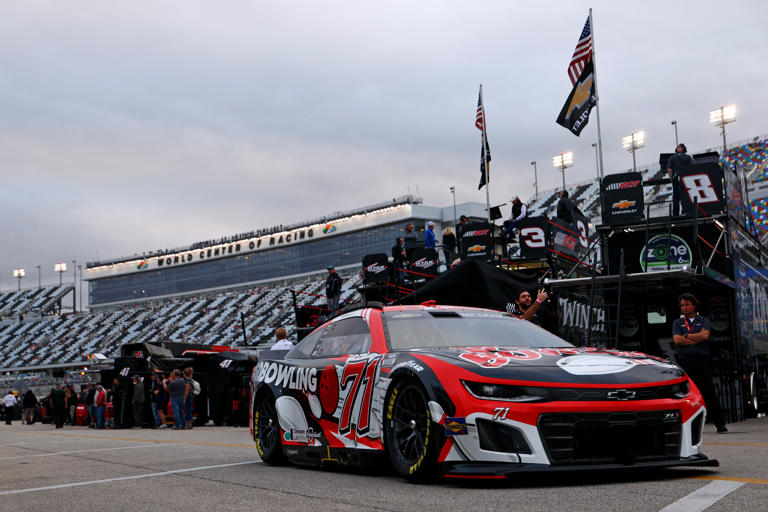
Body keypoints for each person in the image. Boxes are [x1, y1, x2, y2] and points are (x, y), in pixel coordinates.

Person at [672, 293, 727, 433]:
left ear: (694, 305)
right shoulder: (678, 323)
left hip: (702, 360)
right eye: (682, 305)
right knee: (689, 394)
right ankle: (692, 426)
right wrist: (696, 338)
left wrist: (687, 336)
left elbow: (705, 336)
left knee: (708, 391)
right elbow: (677, 340)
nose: (684, 307)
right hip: (686, 361)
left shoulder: (704, 320)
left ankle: (720, 423)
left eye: (687, 304)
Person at [667, 143, 694, 217]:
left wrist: (671, 179)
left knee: (676, 198)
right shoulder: (688, 157)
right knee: (686, 196)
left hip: (676, 179)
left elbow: (669, 170)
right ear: (684, 150)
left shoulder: (672, 158)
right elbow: (692, 168)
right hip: (686, 179)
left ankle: (675, 215)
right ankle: (686, 212)